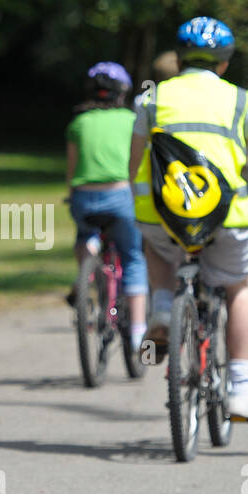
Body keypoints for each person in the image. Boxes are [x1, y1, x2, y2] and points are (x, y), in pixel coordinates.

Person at [129, 17, 248, 422]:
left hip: (164, 218)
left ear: (180, 58)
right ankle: (241, 384)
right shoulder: (241, 101)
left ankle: (165, 308)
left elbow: (133, 167)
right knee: (239, 286)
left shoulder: (150, 100)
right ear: (224, 63)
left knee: (157, 248)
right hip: (226, 218)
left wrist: (142, 208)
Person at [65, 62, 147, 351]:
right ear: (122, 92)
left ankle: (87, 264)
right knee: (134, 257)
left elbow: (72, 170)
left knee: (84, 233)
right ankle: (138, 332)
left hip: (84, 197)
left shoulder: (78, 122)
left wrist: (70, 195)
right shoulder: (131, 120)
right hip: (121, 195)